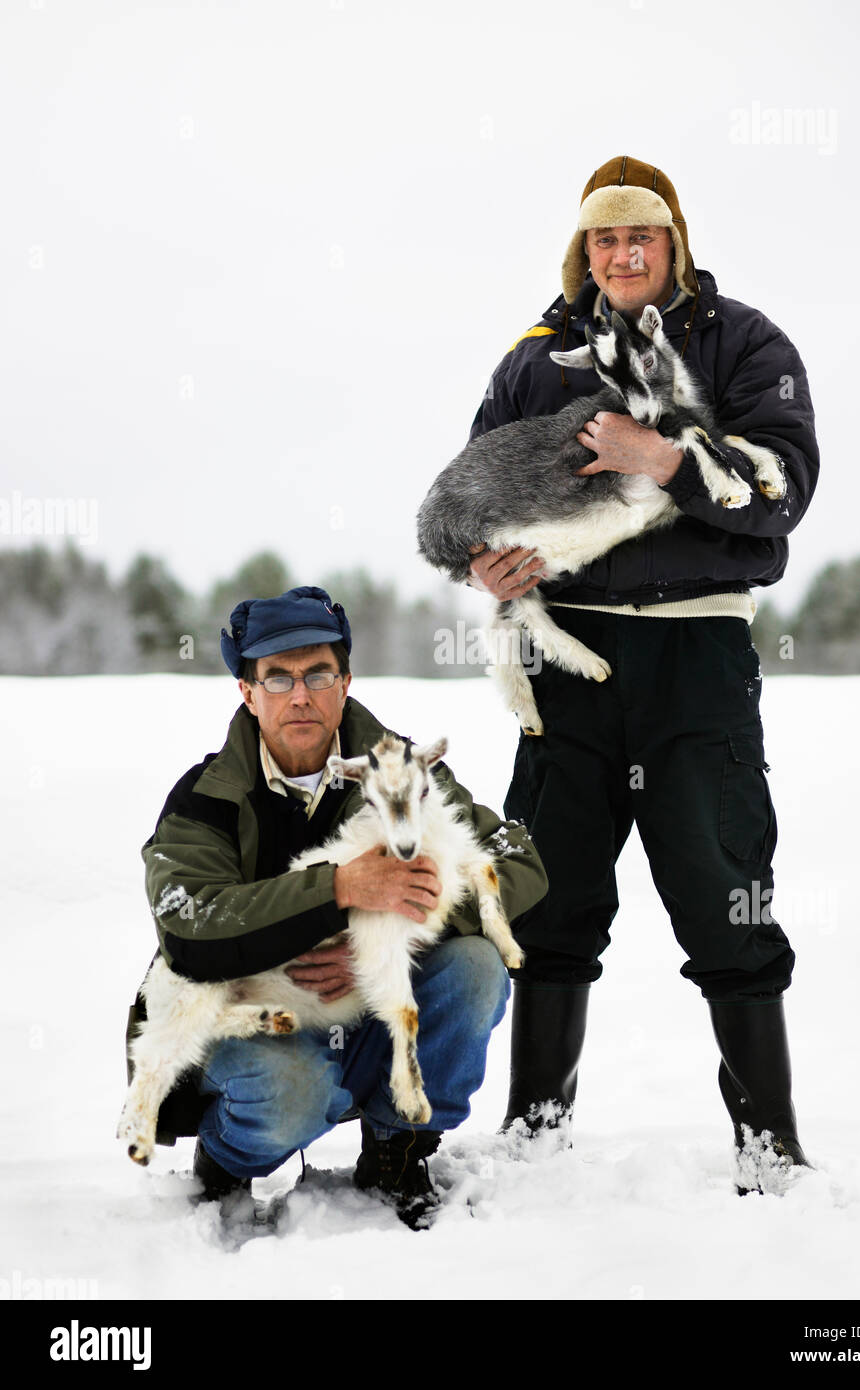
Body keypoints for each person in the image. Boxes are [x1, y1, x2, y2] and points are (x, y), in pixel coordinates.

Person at [466, 155, 820, 1193]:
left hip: (694, 652)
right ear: (583, 251)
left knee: (725, 886)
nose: (622, 255)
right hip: (566, 653)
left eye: (642, 237)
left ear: (675, 245)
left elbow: (781, 483)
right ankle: (533, 1138)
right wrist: (486, 557)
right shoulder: (535, 358)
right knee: (547, 893)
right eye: (604, 239)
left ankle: (771, 1149)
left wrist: (659, 452)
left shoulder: (747, 343)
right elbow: (475, 488)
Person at [125, 585, 547, 1226]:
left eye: (318, 672)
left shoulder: (399, 770)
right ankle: (229, 1155)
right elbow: (191, 929)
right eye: (277, 677)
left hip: (367, 1009)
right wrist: (338, 891)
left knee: (474, 969)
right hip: (258, 1015)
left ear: (345, 680)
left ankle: (397, 1149)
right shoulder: (204, 797)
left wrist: (380, 945)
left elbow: (514, 861)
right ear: (248, 691)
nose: (301, 695)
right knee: (287, 1093)